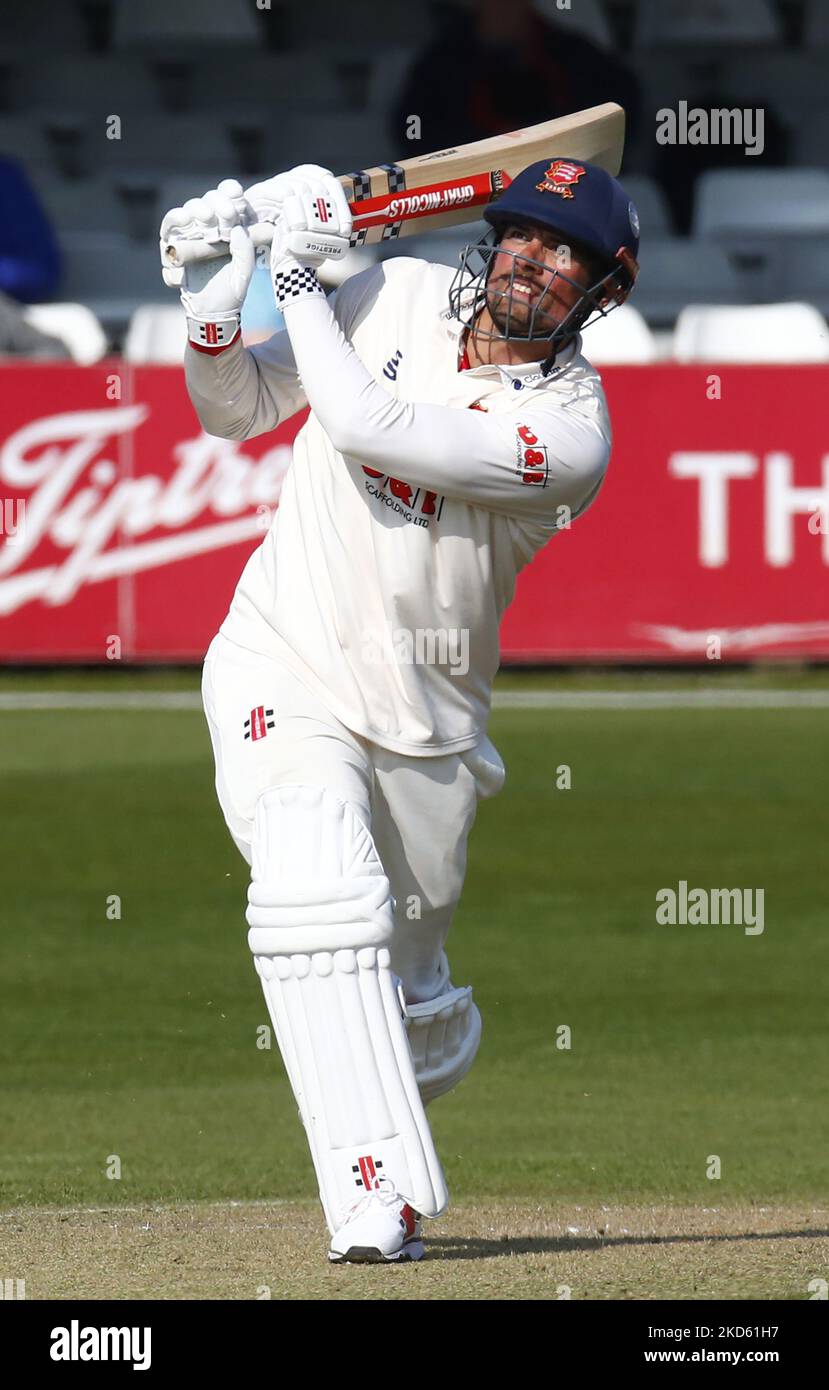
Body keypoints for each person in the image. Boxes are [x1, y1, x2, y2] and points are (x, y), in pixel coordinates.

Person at [159, 156, 639, 1263]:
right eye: (521, 232)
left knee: (403, 989)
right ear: (492, 239)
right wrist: (209, 304)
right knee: (314, 891)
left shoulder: (569, 435)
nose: (533, 259)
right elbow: (236, 410)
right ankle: (377, 1197)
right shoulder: (403, 293)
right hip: (281, 656)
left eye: (564, 251)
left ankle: (425, 1015)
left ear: (600, 290)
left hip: (428, 724)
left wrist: (298, 274)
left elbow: (368, 423)